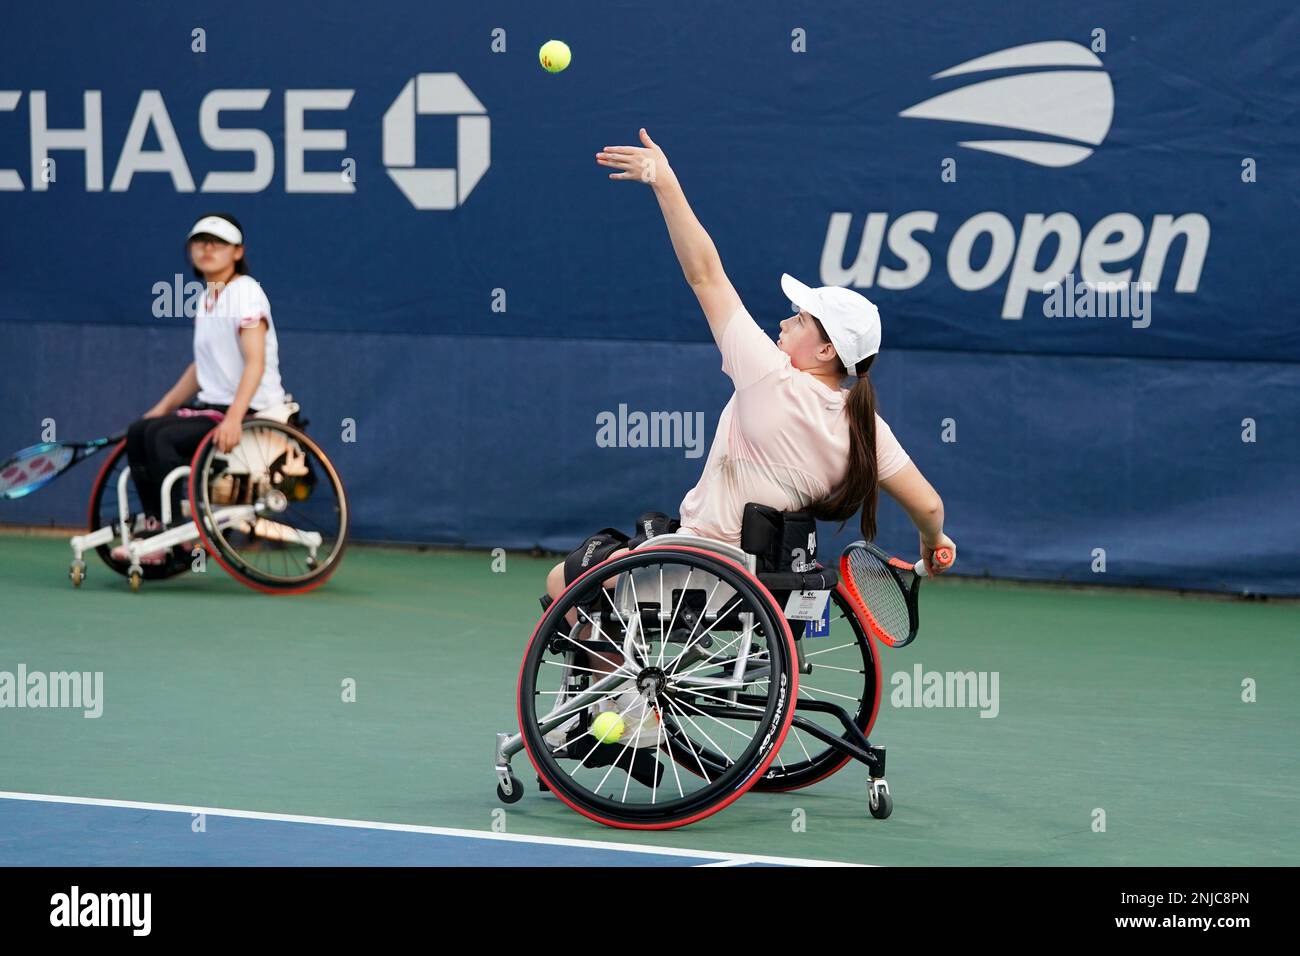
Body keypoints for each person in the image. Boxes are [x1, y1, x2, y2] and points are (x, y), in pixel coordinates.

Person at [538, 130, 957, 771]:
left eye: (800, 318)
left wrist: (665, 181)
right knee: (620, 554)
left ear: (824, 352)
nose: (785, 320)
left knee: (567, 578)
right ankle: (621, 714)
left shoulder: (769, 375)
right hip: (762, 587)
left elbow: (704, 271)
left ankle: (621, 721)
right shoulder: (866, 425)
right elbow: (929, 506)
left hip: (698, 572)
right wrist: (932, 549)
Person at [113, 213, 286, 564]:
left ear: (238, 252)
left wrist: (235, 418)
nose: (208, 249)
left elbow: (255, 362)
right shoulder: (207, 299)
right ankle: (156, 526)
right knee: (141, 430)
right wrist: (160, 408)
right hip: (213, 408)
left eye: (218, 243)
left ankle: (173, 533)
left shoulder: (246, 293)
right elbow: (199, 368)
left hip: (252, 411)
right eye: (200, 241)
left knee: (160, 439)